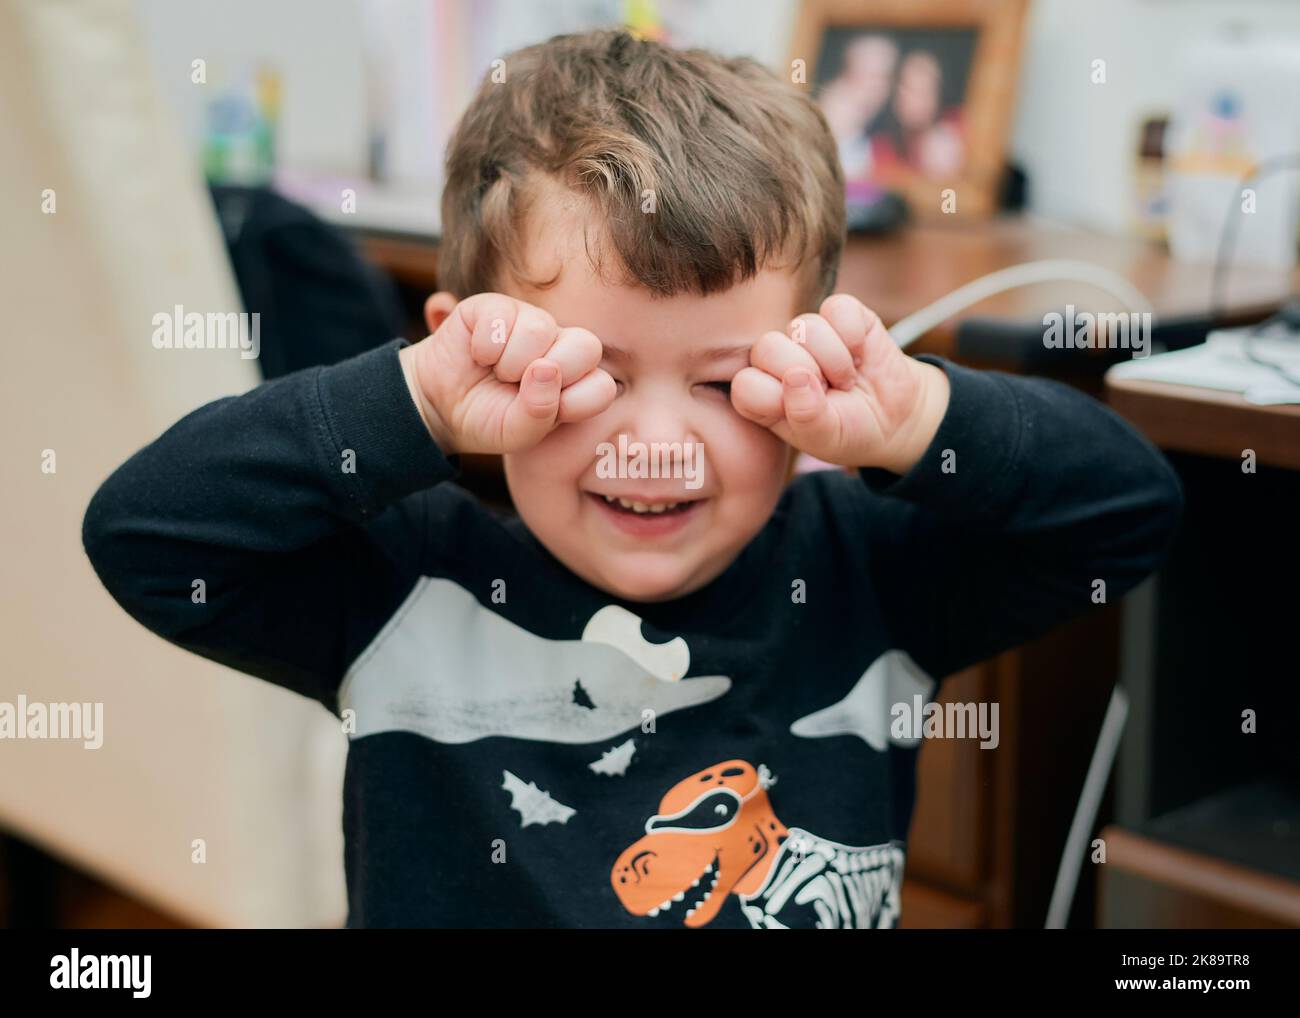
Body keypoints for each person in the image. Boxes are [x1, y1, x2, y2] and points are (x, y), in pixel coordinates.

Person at [83, 29, 1182, 929]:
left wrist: (916, 417)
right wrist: (411, 403)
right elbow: (147, 534)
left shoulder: (868, 572)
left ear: (811, 366)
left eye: (723, 380)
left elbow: (1127, 513)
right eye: (593, 376)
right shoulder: (402, 589)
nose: (657, 441)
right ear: (467, 352)